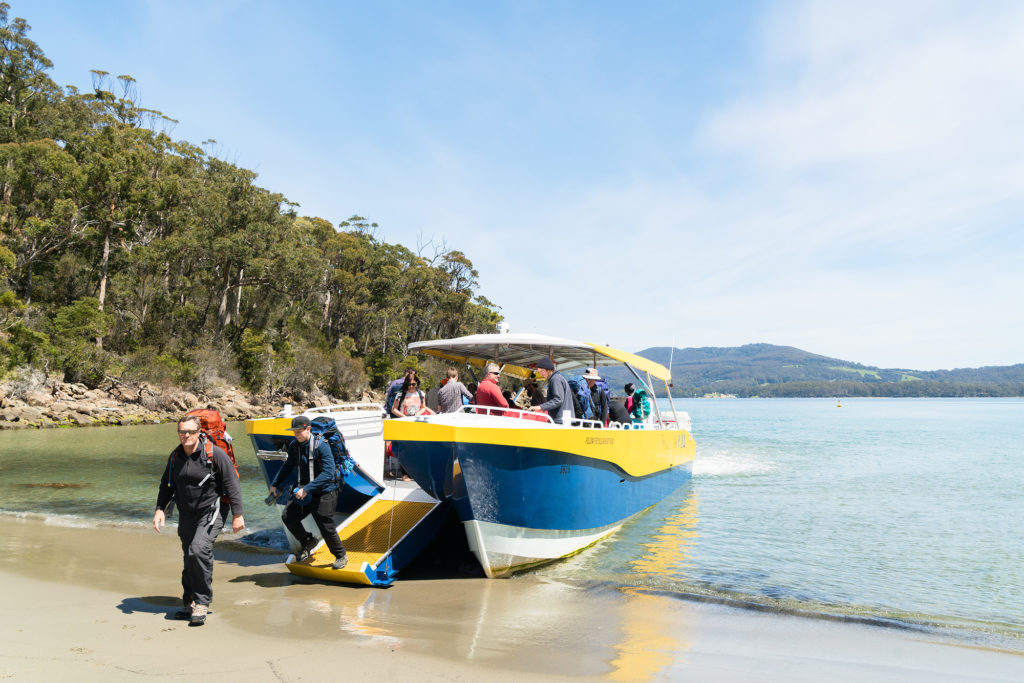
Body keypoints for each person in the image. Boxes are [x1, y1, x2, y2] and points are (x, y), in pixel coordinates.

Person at [154, 415, 245, 626]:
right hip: (187, 512)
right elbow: (166, 485)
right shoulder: (176, 456)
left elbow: (232, 483)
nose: (186, 436)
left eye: (190, 432)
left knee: (198, 550)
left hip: (212, 510)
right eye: (182, 432)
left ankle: (202, 602)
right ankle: (189, 601)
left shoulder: (214, 454)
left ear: (199, 433)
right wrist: (160, 509)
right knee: (189, 556)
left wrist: (237, 514)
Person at [267, 415, 348, 570]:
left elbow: (328, 473)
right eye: (294, 432)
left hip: (325, 490)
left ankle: (340, 555)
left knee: (325, 525)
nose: (296, 434)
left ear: (308, 428)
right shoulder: (294, 446)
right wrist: (275, 484)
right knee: (288, 516)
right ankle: (308, 542)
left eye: (299, 431)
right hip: (304, 491)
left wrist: (307, 489)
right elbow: (288, 466)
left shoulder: (321, 445)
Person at [531, 357, 572, 423]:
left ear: (549, 370)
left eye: (542, 371)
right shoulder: (557, 378)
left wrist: (540, 407)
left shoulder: (555, 379)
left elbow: (558, 400)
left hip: (560, 420)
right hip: (563, 418)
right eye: (539, 372)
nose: (541, 374)